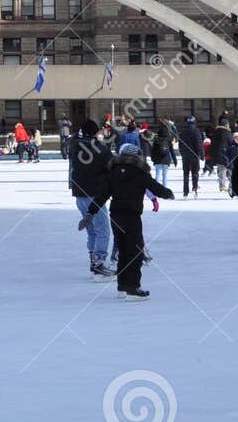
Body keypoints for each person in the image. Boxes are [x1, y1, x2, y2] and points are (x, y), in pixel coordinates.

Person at [82, 130, 174, 300]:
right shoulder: (139, 173)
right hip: (131, 216)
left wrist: (90, 213)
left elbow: (102, 196)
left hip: (116, 216)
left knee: (124, 251)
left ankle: (122, 287)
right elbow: (155, 187)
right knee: (135, 251)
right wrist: (168, 193)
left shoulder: (112, 173)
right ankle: (133, 288)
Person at [69, 119, 113, 278]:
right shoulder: (101, 149)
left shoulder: (74, 147)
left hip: (79, 194)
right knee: (103, 230)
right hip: (95, 195)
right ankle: (99, 262)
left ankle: (93, 259)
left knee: (92, 230)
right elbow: (112, 169)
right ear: (96, 132)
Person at [177, 115, 204, 197]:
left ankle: (185, 191)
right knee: (195, 172)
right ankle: (194, 188)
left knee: (186, 173)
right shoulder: (196, 131)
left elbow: (180, 144)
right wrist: (201, 154)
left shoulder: (183, 131)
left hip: (185, 156)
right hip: (194, 155)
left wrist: (182, 153)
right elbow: (199, 144)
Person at [149, 120, 175, 187]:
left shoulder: (156, 140)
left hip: (157, 160)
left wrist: (153, 159)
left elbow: (153, 150)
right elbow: (172, 151)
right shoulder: (168, 140)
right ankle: (164, 189)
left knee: (158, 175)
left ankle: (157, 189)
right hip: (166, 160)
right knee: (165, 176)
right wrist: (175, 160)